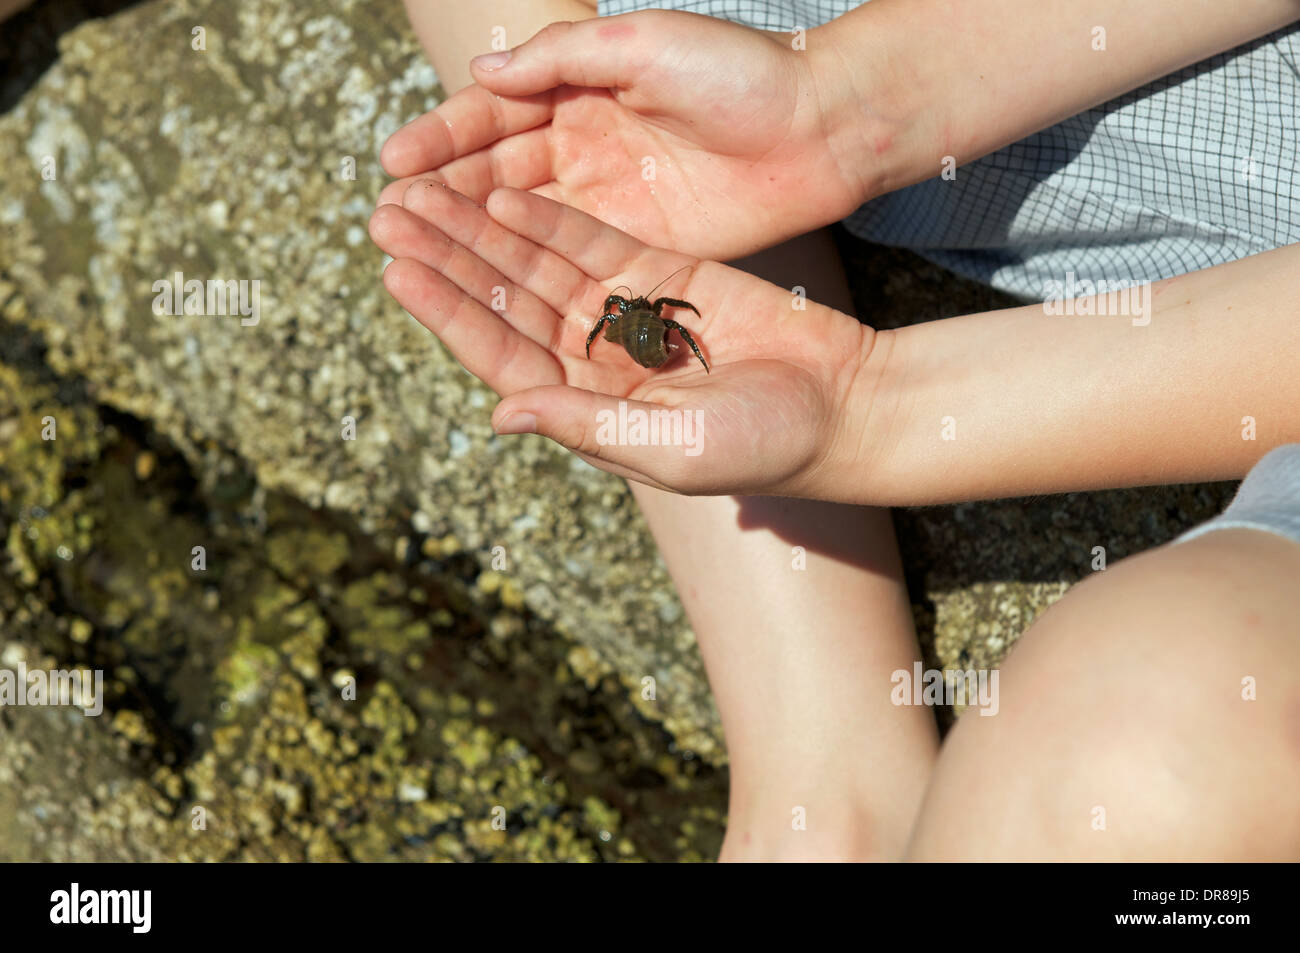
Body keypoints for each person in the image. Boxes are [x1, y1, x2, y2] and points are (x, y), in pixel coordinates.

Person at [370, 1, 1300, 861]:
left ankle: (827, 796)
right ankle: (826, 775)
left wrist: (870, 408)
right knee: (551, 86)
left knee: (1137, 750)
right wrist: (847, 102)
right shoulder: (648, 305)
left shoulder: (651, 323)